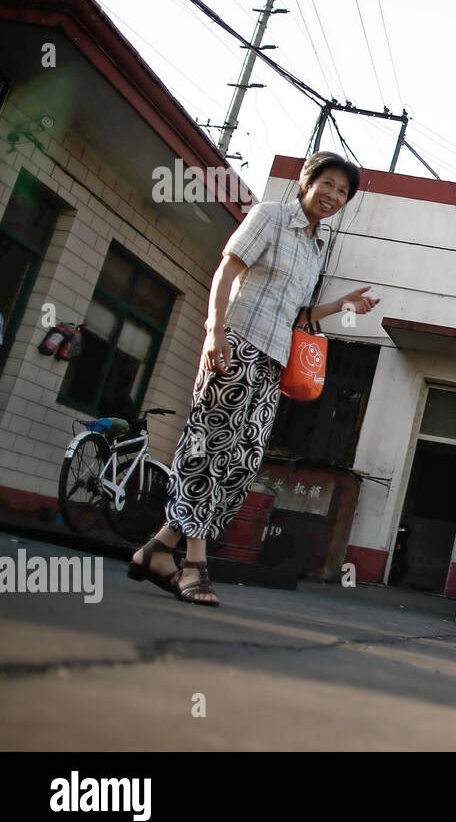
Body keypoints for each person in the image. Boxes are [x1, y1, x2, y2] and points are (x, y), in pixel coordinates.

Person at [127, 152, 380, 606]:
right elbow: (228, 270)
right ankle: (194, 564)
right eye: (328, 184)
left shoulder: (315, 247)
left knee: (242, 464)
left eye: (343, 192)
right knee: (211, 450)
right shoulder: (270, 217)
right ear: (307, 181)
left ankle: (157, 548)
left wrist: (343, 304)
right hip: (236, 345)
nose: (334, 196)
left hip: (271, 363)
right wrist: (214, 332)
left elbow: (297, 313)